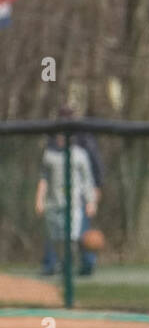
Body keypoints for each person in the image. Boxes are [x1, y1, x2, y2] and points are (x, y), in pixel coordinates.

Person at [34, 108, 98, 277]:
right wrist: (39, 199)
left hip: (74, 204)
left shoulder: (80, 154)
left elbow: (87, 180)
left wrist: (91, 201)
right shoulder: (49, 155)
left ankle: (74, 266)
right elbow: (44, 179)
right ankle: (58, 265)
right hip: (53, 204)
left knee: (72, 238)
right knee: (56, 239)